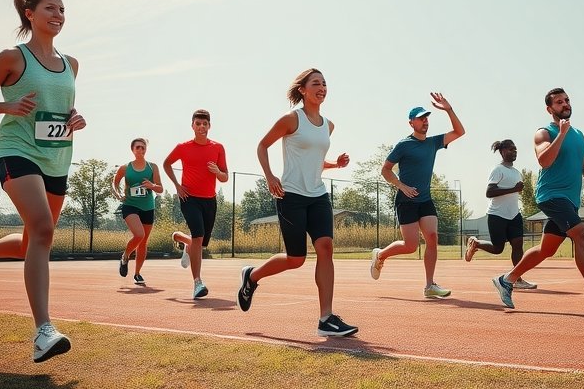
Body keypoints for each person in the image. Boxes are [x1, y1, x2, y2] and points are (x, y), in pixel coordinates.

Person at [0, 0, 85, 362]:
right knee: (44, 231)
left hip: (57, 160)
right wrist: (7, 106)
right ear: (29, 14)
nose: (58, 14)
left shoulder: (72, 63)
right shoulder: (11, 58)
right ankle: (43, 332)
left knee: (35, 240)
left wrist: (75, 118)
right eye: (51, 8)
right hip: (18, 152)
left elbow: (61, 109)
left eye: (63, 9)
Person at [237, 68, 358, 337]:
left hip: (318, 196)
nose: (322, 87)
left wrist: (334, 165)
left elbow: (312, 160)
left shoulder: (329, 125)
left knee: (326, 247)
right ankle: (252, 276)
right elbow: (262, 145)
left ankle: (326, 318)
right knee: (296, 259)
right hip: (290, 196)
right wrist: (270, 177)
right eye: (316, 83)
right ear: (303, 89)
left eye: (325, 83)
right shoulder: (291, 119)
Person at [491, 88, 584, 315]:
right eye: (558, 102)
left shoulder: (579, 134)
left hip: (570, 199)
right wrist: (561, 134)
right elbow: (544, 161)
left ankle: (507, 279)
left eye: (566, 100)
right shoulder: (544, 132)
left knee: (547, 249)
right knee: (582, 235)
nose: (565, 104)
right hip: (551, 195)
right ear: (550, 109)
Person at [371, 93, 465, 298]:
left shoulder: (433, 143)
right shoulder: (404, 145)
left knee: (432, 237)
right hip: (406, 200)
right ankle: (381, 255)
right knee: (410, 246)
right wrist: (401, 185)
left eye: (427, 118)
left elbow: (460, 131)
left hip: (425, 199)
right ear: (411, 122)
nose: (425, 121)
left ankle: (429, 285)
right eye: (421, 118)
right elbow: (385, 169)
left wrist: (449, 109)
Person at [163, 109, 228, 299]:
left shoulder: (218, 148)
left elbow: (224, 177)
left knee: (201, 242)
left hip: (210, 200)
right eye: (198, 124)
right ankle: (197, 283)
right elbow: (167, 163)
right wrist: (177, 186)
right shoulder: (183, 147)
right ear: (192, 126)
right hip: (188, 198)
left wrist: (217, 171)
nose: (201, 127)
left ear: (209, 126)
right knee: (198, 237)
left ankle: (183, 240)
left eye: (205, 124)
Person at [464, 140, 537, 290]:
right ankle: (476, 243)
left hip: (514, 215)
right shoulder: (498, 170)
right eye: (511, 149)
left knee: (518, 246)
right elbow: (489, 192)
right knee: (498, 249)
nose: (514, 152)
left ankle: (517, 279)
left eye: (515, 149)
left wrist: (517, 190)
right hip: (497, 215)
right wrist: (513, 189)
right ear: (502, 151)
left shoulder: (517, 173)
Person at [112, 138, 164, 285]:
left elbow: (160, 188)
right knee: (139, 235)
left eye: (143, 148)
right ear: (132, 150)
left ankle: (137, 273)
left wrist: (152, 185)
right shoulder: (125, 168)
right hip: (130, 205)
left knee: (143, 242)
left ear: (146, 150)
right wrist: (117, 194)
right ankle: (125, 256)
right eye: (138, 148)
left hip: (148, 207)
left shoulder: (152, 167)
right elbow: (115, 182)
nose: (141, 150)